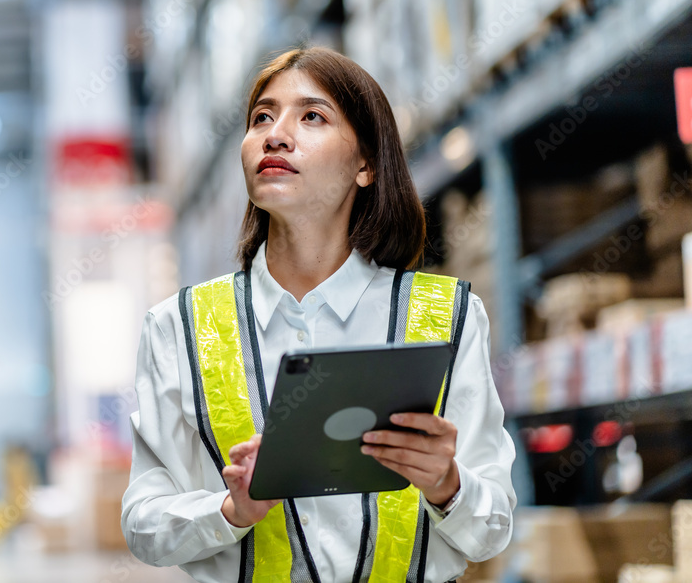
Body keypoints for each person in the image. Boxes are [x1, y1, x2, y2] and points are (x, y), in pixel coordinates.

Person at [121, 47, 516, 583]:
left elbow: (492, 526)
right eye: (262, 117)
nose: (275, 135)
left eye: (312, 116)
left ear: (366, 165)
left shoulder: (446, 316)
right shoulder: (180, 328)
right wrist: (229, 512)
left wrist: (447, 483)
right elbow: (143, 524)